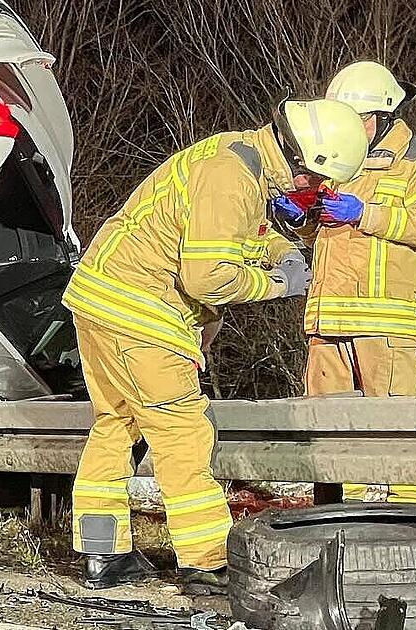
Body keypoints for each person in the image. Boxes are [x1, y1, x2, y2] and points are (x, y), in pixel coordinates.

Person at [63, 99, 368, 591]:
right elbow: (207, 277)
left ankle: (103, 552)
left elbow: (238, 235)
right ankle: (206, 561)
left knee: (116, 425)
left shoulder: (239, 157)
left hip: (101, 301)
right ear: (305, 162)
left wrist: (283, 248)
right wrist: (276, 284)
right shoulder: (231, 179)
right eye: (318, 183)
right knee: (182, 433)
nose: (317, 193)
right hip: (143, 313)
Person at [274, 62, 416, 505]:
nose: (347, 127)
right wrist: (301, 219)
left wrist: (363, 213)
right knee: (327, 432)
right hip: (325, 320)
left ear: (383, 115)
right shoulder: (336, 157)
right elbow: (323, 235)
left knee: (398, 431)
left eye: (357, 119)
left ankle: (415, 523)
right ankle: (337, 516)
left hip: (385, 324)